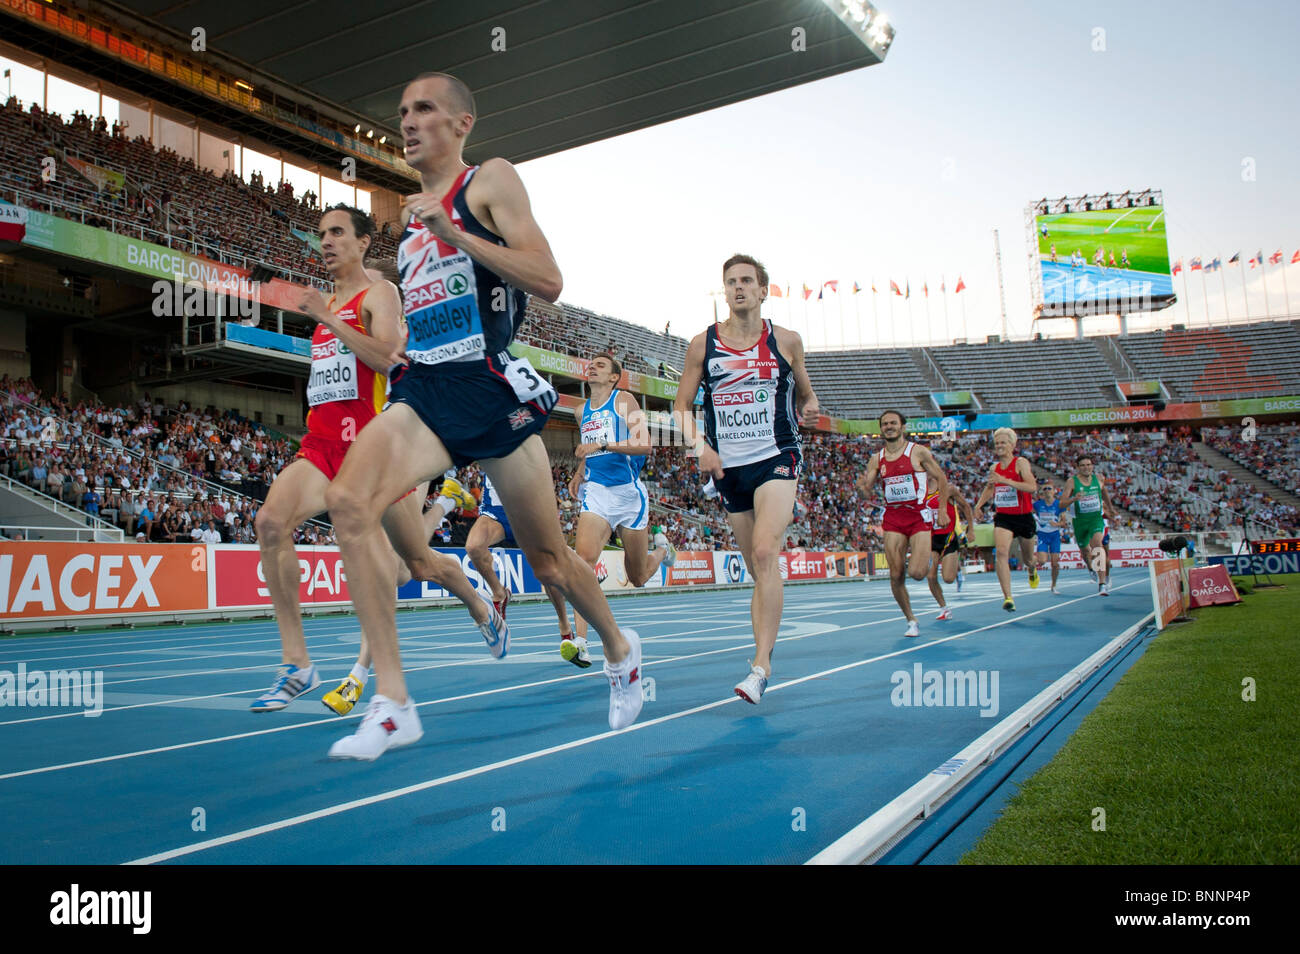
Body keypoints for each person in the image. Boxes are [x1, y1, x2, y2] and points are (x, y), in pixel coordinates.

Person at [322, 72, 643, 759]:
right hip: (428, 391)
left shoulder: (489, 181)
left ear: (462, 122)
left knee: (553, 565)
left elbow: (549, 281)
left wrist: (457, 234)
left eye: (424, 109)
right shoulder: (409, 224)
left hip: (491, 390)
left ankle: (620, 649)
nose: (407, 121)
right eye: (402, 110)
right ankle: (392, 703)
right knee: (348, 500)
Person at [251, 204, 505, 716]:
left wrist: (327, 319)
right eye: (321, 233)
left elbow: (388, 356)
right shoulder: (323, 300)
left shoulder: (379, 293)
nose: (326, 241)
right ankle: (296, 663)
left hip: (373, 452)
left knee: (417, 563)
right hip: (323, 445)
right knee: (270, 522)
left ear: (364, 242)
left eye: (338, 232)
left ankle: (481, 607)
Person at [674, 253, 817, 703]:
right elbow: (680, 410)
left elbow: (807, 395)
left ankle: (760, 666)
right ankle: (761, 657)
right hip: (728, 466)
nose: (738, 288)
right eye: (730, 281)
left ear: (762, 291)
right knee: (759, 568)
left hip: (776, 454)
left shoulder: (787, 341)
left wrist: (809, 408)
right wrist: (702, 448)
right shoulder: (703, 344)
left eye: (746, 281)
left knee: (763, 550)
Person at [566, 353, 675, 666]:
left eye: (601, 365)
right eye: (591, 364)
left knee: (637, 577)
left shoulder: (623, 400)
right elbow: (588, 446)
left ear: (614, 377)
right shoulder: (580, 411)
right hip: (598, 493)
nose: (592, 366)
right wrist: (579, 471)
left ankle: (661, 552)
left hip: (629, 496)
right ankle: (581, 642)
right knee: (582, 562)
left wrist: (602, 446)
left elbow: (644, 445)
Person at [857, 410, 950, 637]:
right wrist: (862, 488)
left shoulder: (917, 451)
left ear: (902, 426)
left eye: (893, 423)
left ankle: (919, 555)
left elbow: (941, 478)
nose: (889, 426)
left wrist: (943, 509)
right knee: (895, 574)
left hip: (918, 517)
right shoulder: (876, 459)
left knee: (918, 573)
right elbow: (866, 491)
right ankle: (911, 620)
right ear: (880, 429)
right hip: (893, 520)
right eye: (885, 424)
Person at [465, 472, 577, 659]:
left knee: (547, 572)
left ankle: (564, 623)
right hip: (495, 514)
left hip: (527, 513)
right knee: (474, 547)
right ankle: (499, 593)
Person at [973, 427, 1038, 611]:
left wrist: (1007, 481)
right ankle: (1008, 597)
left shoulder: (1020, 463)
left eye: (1003, 442)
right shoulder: (994, 467)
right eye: (997, 443)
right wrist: (978, 506)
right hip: (1004, 517)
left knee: (1028, 559)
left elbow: (1032, 487)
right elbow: (990, 488)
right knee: (1001, 552)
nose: (999, 446)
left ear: (1012, 445)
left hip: (1024, 517)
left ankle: (1032, 570)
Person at [1058, 454, 1116, 596]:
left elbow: (1104, 491)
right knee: (1085, 551)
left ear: (1092, 466)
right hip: (1079, 521)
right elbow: (1061, 503)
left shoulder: (1099, 479)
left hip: (1095, 519)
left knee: (1098, 545)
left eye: (1089, 465)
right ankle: (1090, 568)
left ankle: (1102, 584)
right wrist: (1073, 499)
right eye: (1083, 465)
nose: (1086, 467)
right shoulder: (1072, 482)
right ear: (1077, 468)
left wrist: (1110, 507)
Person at [925, 479, 976, 619]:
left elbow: (965, 506)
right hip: (931, 539)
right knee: (930, 576)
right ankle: (944, 609)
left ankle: (957, 571)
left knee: (948, 578)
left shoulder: (949, 489)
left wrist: (971, 529)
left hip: (948, 538)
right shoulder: (919, 490)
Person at [1033, 482, 1068, 594]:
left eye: (1049, 488)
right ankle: (1032, 568)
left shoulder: (1059, 504)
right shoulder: (1037, 505)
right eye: (1045, 489)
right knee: (1042, 561)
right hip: (1042, 534)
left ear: (1054, 491)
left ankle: (1053, 585)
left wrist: (1056, 524)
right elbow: (1029, 515)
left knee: (1055, 564)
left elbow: (1064, 522)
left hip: (1054, 535)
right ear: (1042, 492)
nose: (1047, 490)